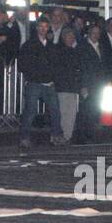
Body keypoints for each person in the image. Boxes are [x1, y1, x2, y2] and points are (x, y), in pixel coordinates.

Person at [17, 17, 60, 148]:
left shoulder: (51, 46)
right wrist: (33, 74)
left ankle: (56, 136)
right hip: (35, 82)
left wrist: (52, 76)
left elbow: (55, 63)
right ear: (37, 28)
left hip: (48, 82)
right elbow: (23, 64)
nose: (43, 29)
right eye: (41, 26)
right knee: (30, 111)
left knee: (55, 110)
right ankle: (24, 138)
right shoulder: (29, 45)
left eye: (45, 27)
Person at [49, 25, 85, 144]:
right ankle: (61, 136)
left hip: (71, 87)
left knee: (70, 113)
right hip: (64, 86)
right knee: (64, 113)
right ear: (64, 38)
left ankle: (65, 136)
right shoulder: (61, 51)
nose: (71, 39)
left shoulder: (72, 51)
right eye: (69, 37)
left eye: (72, 37)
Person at [77, 22, 108, 142]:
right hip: (88, 83)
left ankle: (92, 134)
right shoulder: (82, 46)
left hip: (99, 83)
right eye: (93, 33)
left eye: (98, 33)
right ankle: (83, 136)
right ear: (89, 33)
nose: (96, 35)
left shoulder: (101, 47)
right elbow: (82, 66)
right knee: (86, 110)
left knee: (95, 108)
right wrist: (83, 85)